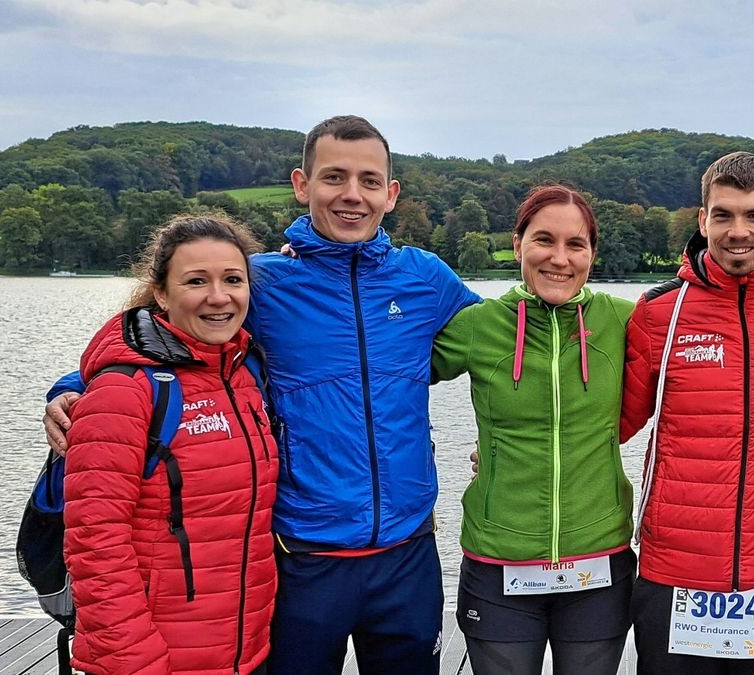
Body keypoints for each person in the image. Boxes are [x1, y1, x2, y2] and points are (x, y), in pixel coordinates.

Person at [44, 115, 482, 674]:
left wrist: (501, 443)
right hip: (301, 559)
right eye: (334, 177)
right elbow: (157, 332)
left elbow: (505, 343)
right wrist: (74, 386)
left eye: (370, 181)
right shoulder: (259, 281)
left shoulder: (425, 278)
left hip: (407, 554)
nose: (352, 195)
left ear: (391, 194)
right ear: (302, 184)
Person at [620, 152, 754, 674]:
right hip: (676, 570)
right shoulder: (659, 312)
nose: (739, 231)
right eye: (724, 215)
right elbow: (607, 423)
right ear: (702, 219)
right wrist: (507, 445)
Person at [432, 185, 636, 675]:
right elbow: (384, 367)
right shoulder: (477, 325)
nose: (559, 259)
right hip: (500, 560)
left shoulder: (625, 319)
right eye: (544, 240)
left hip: (598, 560)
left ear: (593, 252)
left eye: (576, 244)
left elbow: (709, 324)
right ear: (518, 242)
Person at [62, 215, 277, 675]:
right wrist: (133, 661)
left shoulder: (245, 376)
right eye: (196, 281)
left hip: (245, 653)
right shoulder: (125, 391)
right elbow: (94, 541)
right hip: (154, 658)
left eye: (232, 280)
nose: (218, 297)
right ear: (161, 292)